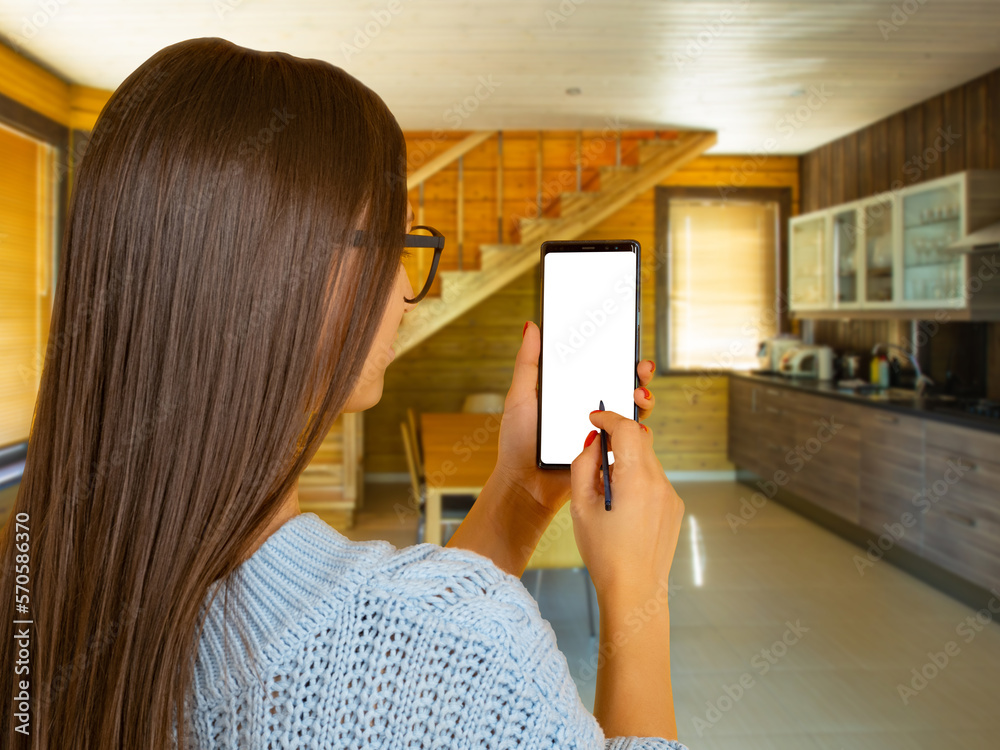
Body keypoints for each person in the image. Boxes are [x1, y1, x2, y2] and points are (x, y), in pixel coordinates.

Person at [0, 37, 689, 749]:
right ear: (275, 279)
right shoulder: (472, 648)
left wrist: (518, 494)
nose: (403, 289)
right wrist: (639, 595)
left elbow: (397, 672)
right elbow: (416, 671)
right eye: (388, 242)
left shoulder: (34, 589)